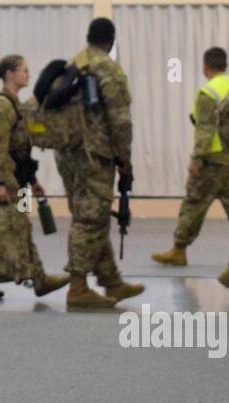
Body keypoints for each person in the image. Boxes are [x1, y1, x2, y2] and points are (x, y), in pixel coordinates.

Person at [0, 55, 69, 301]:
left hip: (17, 180)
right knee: (16, 224)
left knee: (3, 226)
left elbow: (21, 151)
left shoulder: (15, 106)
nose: (28, 75)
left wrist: (33, 182)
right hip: (2, 181)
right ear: (9, 74)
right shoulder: (1, 107)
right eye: (24, 70)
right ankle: (40, 280)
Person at [56, 18, 144, 310]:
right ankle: (78, 287)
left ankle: (110, 280)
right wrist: (125, 160)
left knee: (94, 214)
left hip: (67, 155)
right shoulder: (108, 69)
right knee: (89, 219)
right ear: (111, 41)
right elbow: (120, 121)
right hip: (94, 155)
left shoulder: (74, 64)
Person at [151, 47, 229, 281]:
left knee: (193, 205)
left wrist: (196, 160)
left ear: (205, 67)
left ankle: (178, 250)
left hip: (212, 160)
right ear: (225, 66)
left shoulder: (207, 92)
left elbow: (204, 130)